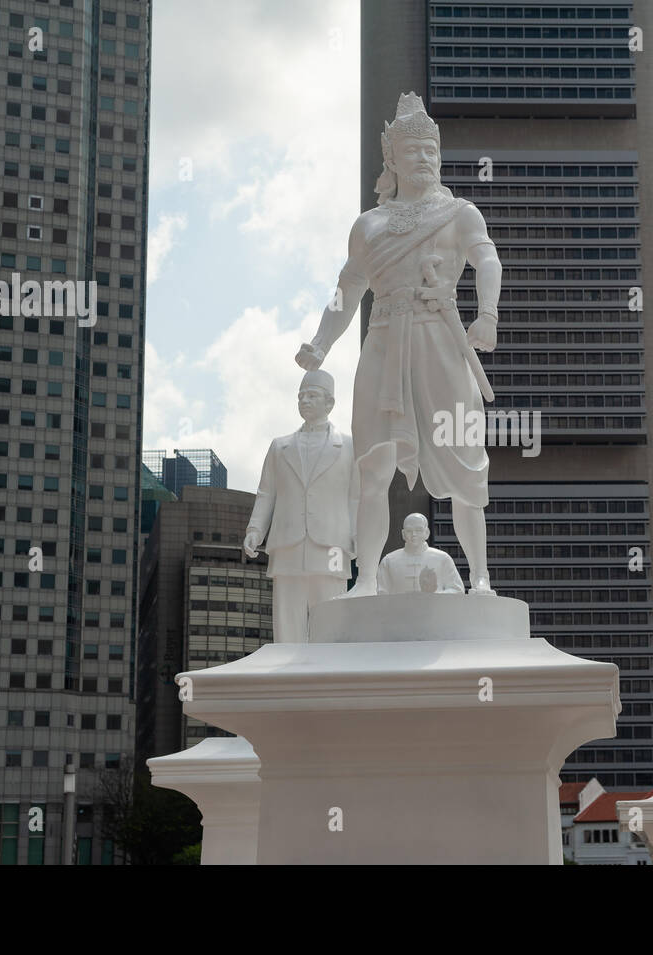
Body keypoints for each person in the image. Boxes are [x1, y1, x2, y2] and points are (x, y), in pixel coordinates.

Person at [295, 92, 501, 597]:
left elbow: (488, 260)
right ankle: (365, 577)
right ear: (392, 158)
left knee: (466, 461)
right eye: (413, 152)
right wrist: (320, 343)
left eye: (431, 150)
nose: (425, 159)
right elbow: (346, 293)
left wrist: (489, 315)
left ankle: (479, 579)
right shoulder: (369, 226)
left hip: (441, 340)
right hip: (384, 341)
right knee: (373, 463)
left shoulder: (459, 212)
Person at [243, 370, 357, 643]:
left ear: (330, 403)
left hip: (332, 545)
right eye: (301, 396)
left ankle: (330, 674)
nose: (304, 401)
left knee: (331, 621)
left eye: (312, 396)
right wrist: (255, 530)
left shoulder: (350, 447)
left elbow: (357, 497)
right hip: (288, 545)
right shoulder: (279, 447)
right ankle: (287, 677)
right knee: (288, 623)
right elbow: (266, 492)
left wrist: (357, 536)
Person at [377, 513, 465, 595]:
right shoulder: (389, 561)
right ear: (403, 534)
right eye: (409, 530)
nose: (414, 534)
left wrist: (434, 597)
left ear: (427, 533)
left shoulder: (442, 558)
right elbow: (380, 593)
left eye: (418, 530)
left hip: (433, 610)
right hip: (399, 611)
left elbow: (457, 590)